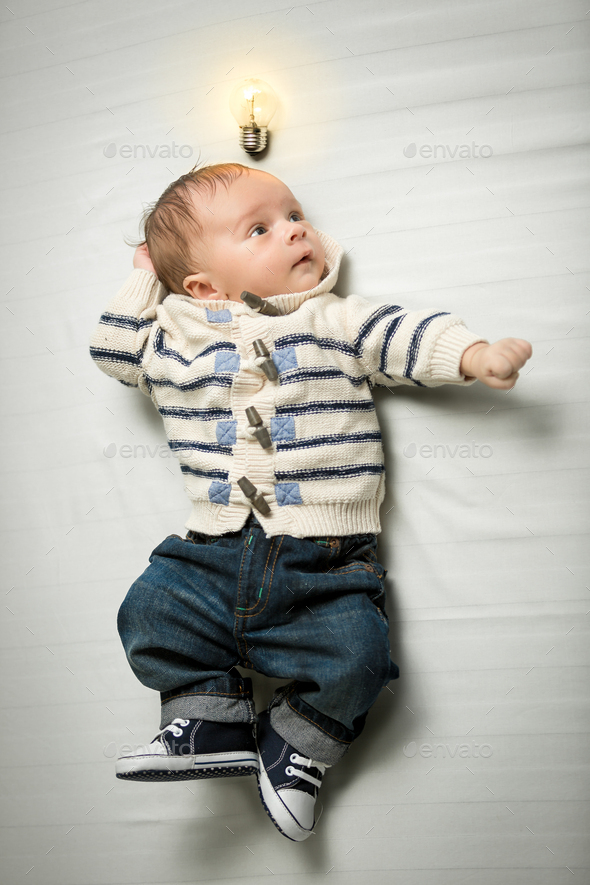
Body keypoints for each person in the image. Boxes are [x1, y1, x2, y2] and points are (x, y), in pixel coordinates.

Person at [89, 161, 532, 841]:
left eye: (295, 215)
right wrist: (148, 270)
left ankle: (299, 745)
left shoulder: (333, 320)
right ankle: (208, 717)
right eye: (261, 227)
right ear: (203, 284)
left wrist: (475, 354)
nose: (296, 230)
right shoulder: (174, 338)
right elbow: (113, 348)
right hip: (207, 553)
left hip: (325, 561)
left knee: (359, 651)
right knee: (149, 609)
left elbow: (407, 334)